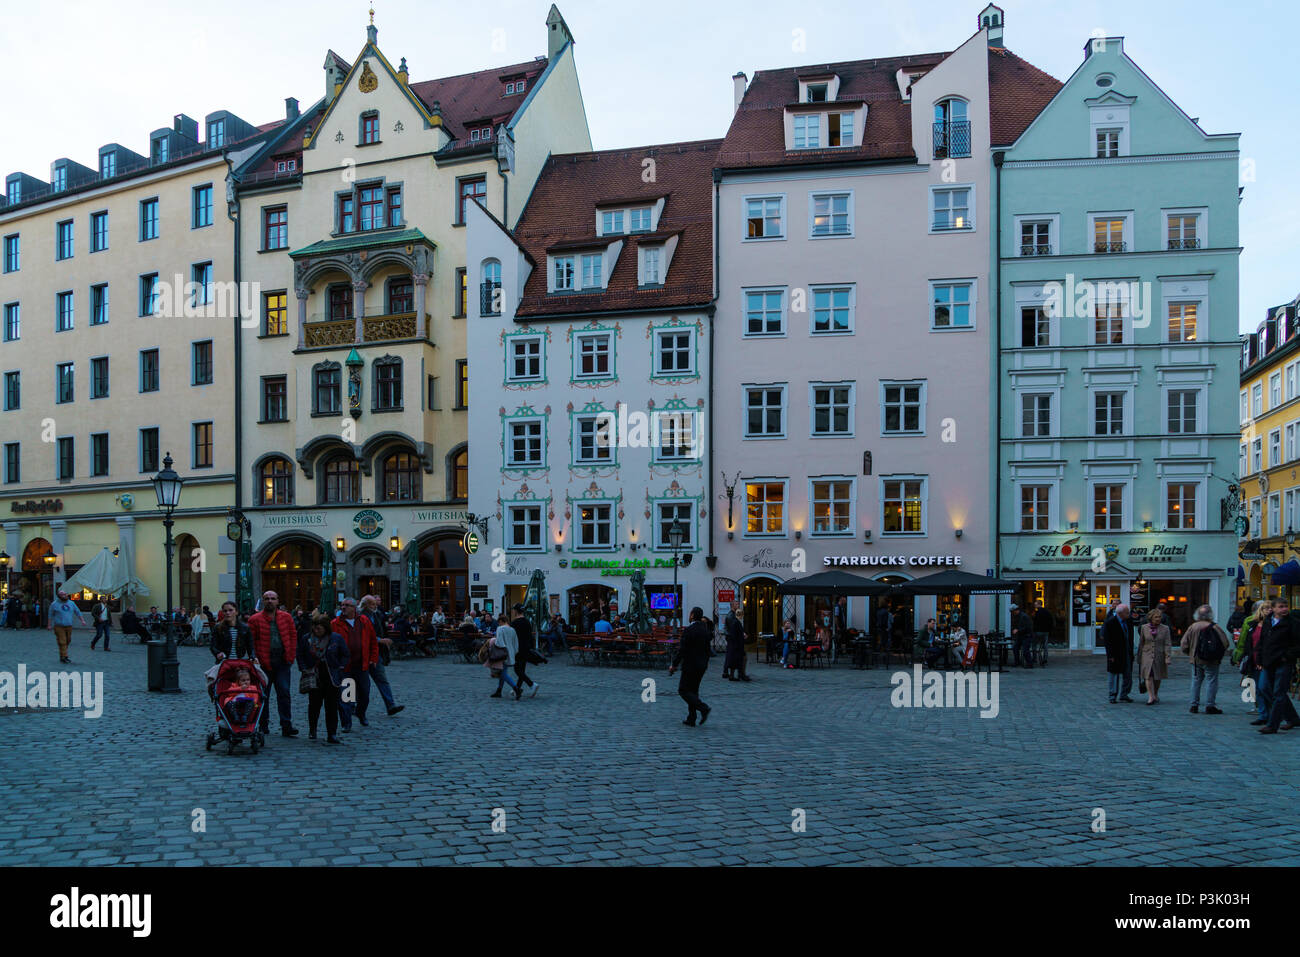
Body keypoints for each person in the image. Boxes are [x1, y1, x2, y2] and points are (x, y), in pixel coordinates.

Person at [246, 590, 300, 738]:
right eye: (267, 598)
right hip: (264, 662)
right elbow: (251, 642)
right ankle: (263, 725)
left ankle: (286, 725)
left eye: (273, 598)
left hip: (283, 661)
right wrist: (254, 657)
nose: (270, 601)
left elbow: (293, 636)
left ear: (277, 601)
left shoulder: (286, 617)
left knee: (284, 693)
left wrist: (291, 655)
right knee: (263, 695)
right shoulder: (254, 620)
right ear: (263, 601)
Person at [298, 613, 348, 744]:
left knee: (331, 706)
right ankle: (312, 730)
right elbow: (300, 654)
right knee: (314, 705)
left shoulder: (335, 639)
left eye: (319, 628)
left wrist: (341, 667)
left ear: (326, 628)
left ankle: (332, 733)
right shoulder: (306, 638)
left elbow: (345, 654)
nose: (316, 630)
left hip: (331, 676)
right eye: (314, 627)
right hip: (314, 676)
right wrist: (303, 668)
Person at [333, 597, 378, 731]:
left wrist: (373, 659)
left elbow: (373, 641)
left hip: (361, 664)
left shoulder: (364, 621)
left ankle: (360, 713)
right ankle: (346, 723)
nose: (343, 608)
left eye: (347, 605)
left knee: (364, 693)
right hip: (345, 666)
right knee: (347, 695)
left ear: (354, 608)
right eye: (342, 605)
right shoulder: (335, 623)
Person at [1258, 598, 1300, 735]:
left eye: (1286, 606)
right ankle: (1293, 718)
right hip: (1269, 661)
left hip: (1284, 662)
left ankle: (1272, 724)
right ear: (1274, 609)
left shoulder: (1293, 623)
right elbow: (1262, 641)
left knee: (1279, 693)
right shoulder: (1268, 622)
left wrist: (1286, 656)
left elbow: (1297, 644)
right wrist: (1259, 658)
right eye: (1281, 606)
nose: (1284, 609)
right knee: (1266, 688)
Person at [1181, 604, 1230, 715]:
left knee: (1196, 681)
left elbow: (1183, 644)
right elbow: (1225, 643)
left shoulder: (1193, 627)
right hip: (1212, 660)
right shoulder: (1215, 627)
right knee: (1211, 681)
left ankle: (1194, 705)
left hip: (1196, 659)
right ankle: (1210, 705)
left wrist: (1190, 653)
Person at [360, 595, 404, 717]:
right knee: (358, 682)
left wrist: (382, 642)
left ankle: (390, 705)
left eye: (376, 603)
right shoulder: (361, 617)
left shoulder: (376, 614)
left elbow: (378, 631)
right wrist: (381, 640)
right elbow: (364, 635)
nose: (375, 606)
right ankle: (351, 707)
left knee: (382, 679)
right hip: (361, 654)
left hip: (374, 653)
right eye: (373, 604)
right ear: (366, 605)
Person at [669, 607, 712, 726]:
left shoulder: (689, 630)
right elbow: (708, 650)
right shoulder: (705, 630)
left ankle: (703, 708)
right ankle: (691, 717)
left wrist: (674, 665)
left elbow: (682, 649)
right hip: (702, 665)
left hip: (690, 664)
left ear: (692, 615)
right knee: (693, 691)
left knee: (683, 690)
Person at [1235, 600, 1271, 725]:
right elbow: (1245, 642)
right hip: (1253, 660)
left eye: (1270, 608)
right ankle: (1263, 714)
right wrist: (1240, 657)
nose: (1268, 610)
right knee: (1257, 689)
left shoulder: (1273, 625)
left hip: (1266, 661)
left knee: (1264, 687)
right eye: (1265, 608)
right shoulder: (1252, 624)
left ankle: (1272, 713)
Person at [1136, 608, 1172, 705]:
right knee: (1148, 676)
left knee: (1157, 676)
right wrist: (1139, 656)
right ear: (1151, 618)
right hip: (1146, 655)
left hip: (1159, 655)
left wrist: (1167, 657)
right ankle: (1151, 696)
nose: (1158, 619)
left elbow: (1167, 643)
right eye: (1156, 617)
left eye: (1159, 617)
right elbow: (1141, 642)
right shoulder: (1144, 627)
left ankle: (1155, 693)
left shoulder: (1165, 628)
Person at [1103, 604, 1134, 703]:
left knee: (1128, 675)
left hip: (1127, 652)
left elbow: (1130, 638)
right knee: (1114, 675)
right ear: (1120, 613)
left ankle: (1124, 694)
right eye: (1127, 612)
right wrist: (1110, 655)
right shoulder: (1110, 623)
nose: (1129, 614)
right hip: (1115, 653)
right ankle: (1112, 695)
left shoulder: (1129, 621)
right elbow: (1108, 641)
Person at [486, 614, 521, 699]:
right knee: (502, 672)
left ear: (501, 621)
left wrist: (494, 644)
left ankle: (516, 688)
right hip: (511, 653)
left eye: (499, 623)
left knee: (502, 673)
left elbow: (499, 642)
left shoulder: (500, 629)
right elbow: (516, 644)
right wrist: (513, 652)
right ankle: (499, 690)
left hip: (502, 653)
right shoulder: (512, 630)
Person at [48, 590, 87, 664]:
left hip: (69, 625)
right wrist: (49, 625)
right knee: (62, 641)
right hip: (59, 626)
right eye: (63, 594)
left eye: (65, 594)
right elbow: (50, 615)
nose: (65, 595)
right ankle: (64, 657)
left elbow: (77, 611)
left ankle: (62, 654)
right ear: (59, 596)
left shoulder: (71, 603)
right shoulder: (54, 604)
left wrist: (82, 620)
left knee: (68, 641)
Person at [510, 603, 540, 698]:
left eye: (514, 610)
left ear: (516, 611)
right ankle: (517, 689)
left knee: (517, 670)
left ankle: (532, 685)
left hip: (518, 649)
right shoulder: (527, 622)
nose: (513, 611)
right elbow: (530, 637)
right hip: (526, 648)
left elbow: (512, 637)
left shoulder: (514, 623)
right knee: (521, 669)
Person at [722, 607, 749, 681]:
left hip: (734, 644)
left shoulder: (736, 622)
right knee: (739, 659)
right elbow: (735, 634)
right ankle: (740, 674)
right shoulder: (736, 622)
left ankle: (735, 675)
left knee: (734, 660)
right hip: (736, 645)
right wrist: (742, 637)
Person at [1010, 603, 1035, 668]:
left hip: (1026, 636)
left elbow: (1027, 627)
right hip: (1021, 636)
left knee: (1025, 650)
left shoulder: (1024, 616)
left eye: (1012, 612)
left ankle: (1029, 664)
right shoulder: (1018, 616)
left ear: (1015, 610)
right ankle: (1017, 662)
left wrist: (1018, 630)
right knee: (1015, 648)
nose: (1012, 613)